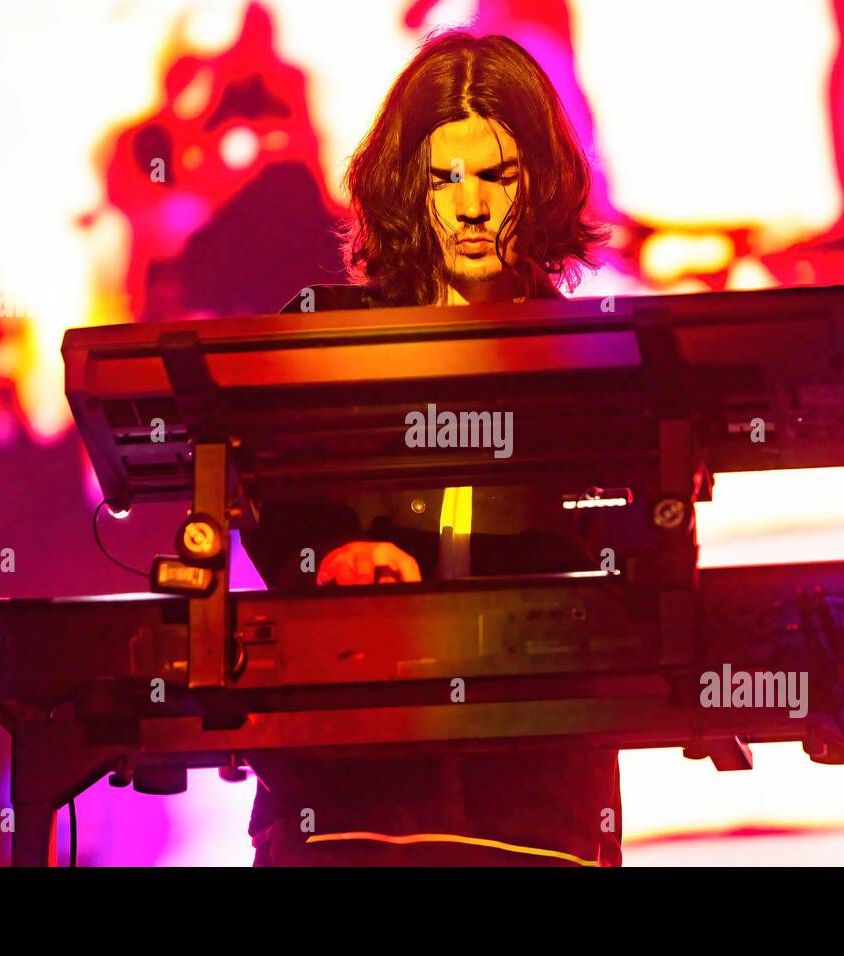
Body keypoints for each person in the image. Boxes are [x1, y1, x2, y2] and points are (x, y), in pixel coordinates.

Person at [242, 30, 619, 866]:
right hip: (339, 811)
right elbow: (271, 503)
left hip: (536, 818)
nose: (470, 207)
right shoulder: (321, 339)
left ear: (545, 181)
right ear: (408, 189)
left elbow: (627, 572)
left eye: (496, 176)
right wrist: (336, 556)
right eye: (443, 179)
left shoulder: (596, 364)